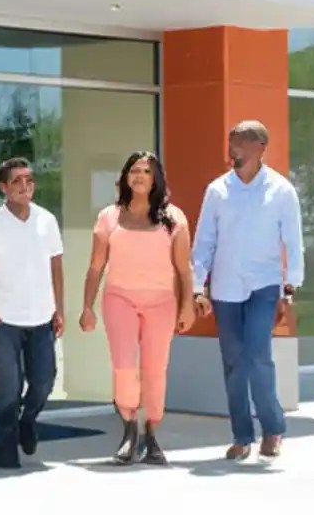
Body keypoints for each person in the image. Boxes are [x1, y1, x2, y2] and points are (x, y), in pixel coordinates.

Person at [191, 120, 304, 461]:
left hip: (264, 286)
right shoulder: (217, 191)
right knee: (234, 362)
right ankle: (242, 435)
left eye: (240, 143)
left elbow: (294, 243)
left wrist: (290, 290)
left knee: (257, 356)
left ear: (260, 148)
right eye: (231, 143)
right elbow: (204, 242)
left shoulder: (281, 191)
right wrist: (198, 287)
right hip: (225, 288)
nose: (233, 151)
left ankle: (272, 428)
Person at [80, 151, 196, 466]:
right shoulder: (109, 217)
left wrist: (188, 306)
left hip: (162, 302)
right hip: (120, 299)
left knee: (155, 369)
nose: (139, 176)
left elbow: (184, 269)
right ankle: (129, 430)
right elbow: (95, 268)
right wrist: (87, 307)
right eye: (134, 170)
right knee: (124, 366)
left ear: (156, 178)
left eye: (146, 171)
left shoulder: (174, 218)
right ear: (125, 177)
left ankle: (152, 434)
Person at [0, 157, 66, 469]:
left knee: (44, 382)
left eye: (29, 180)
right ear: (4, 188)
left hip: (42, 318)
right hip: (7, 322)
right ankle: (5, 448)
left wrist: (59, 310)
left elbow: (57, 269)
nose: (25, 186)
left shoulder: (47, 221)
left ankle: (29, 419)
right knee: (9, 389)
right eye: (17, 181)